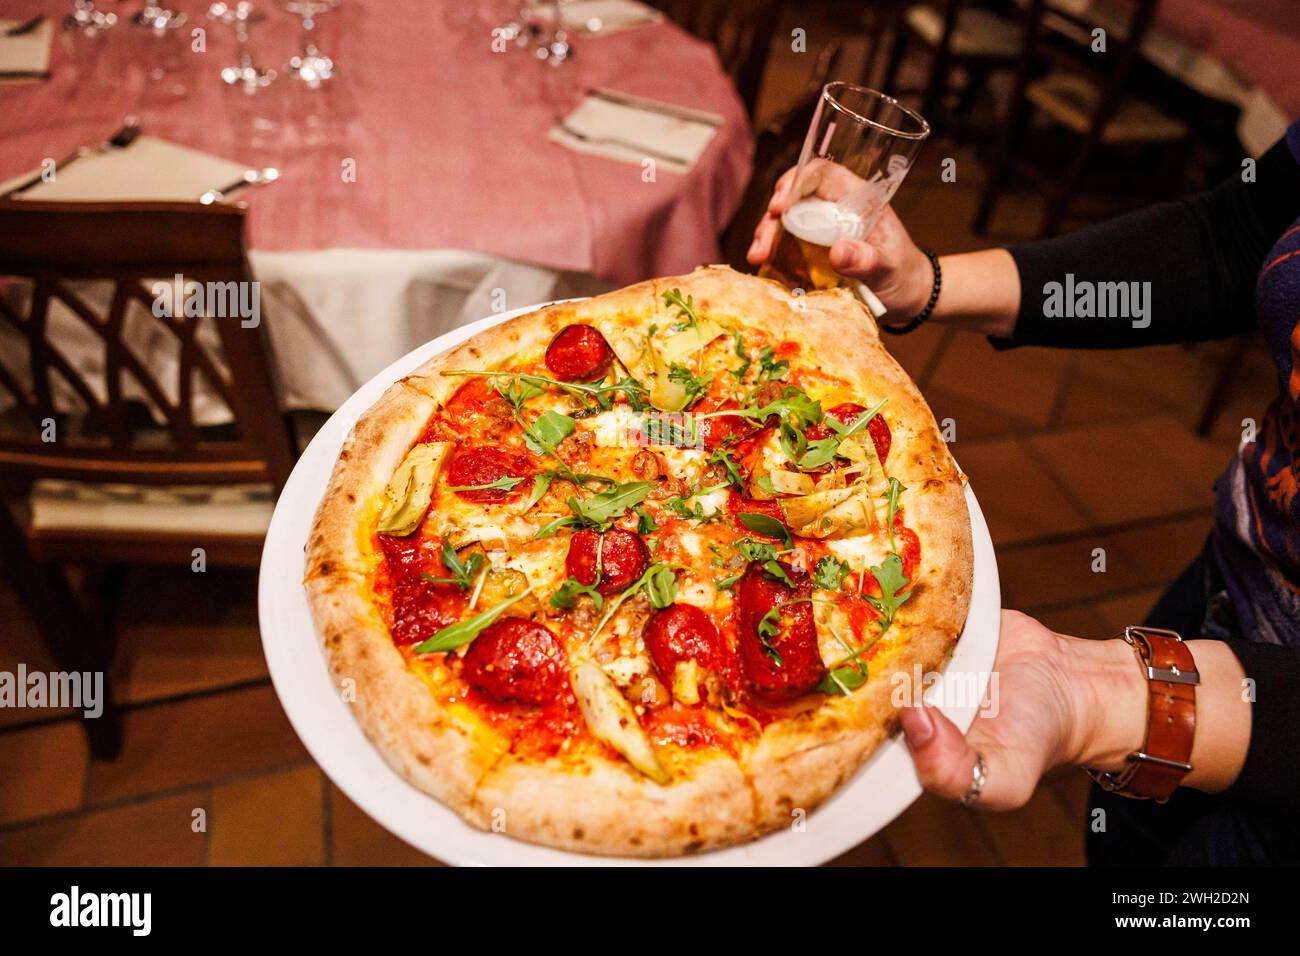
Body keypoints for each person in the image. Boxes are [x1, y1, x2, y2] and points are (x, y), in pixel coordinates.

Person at [749, 122, 1300, 865]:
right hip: (1228, 586)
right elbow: (1231, 239)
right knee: (1123, 853)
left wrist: (1110, 699)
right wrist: (924, 283)